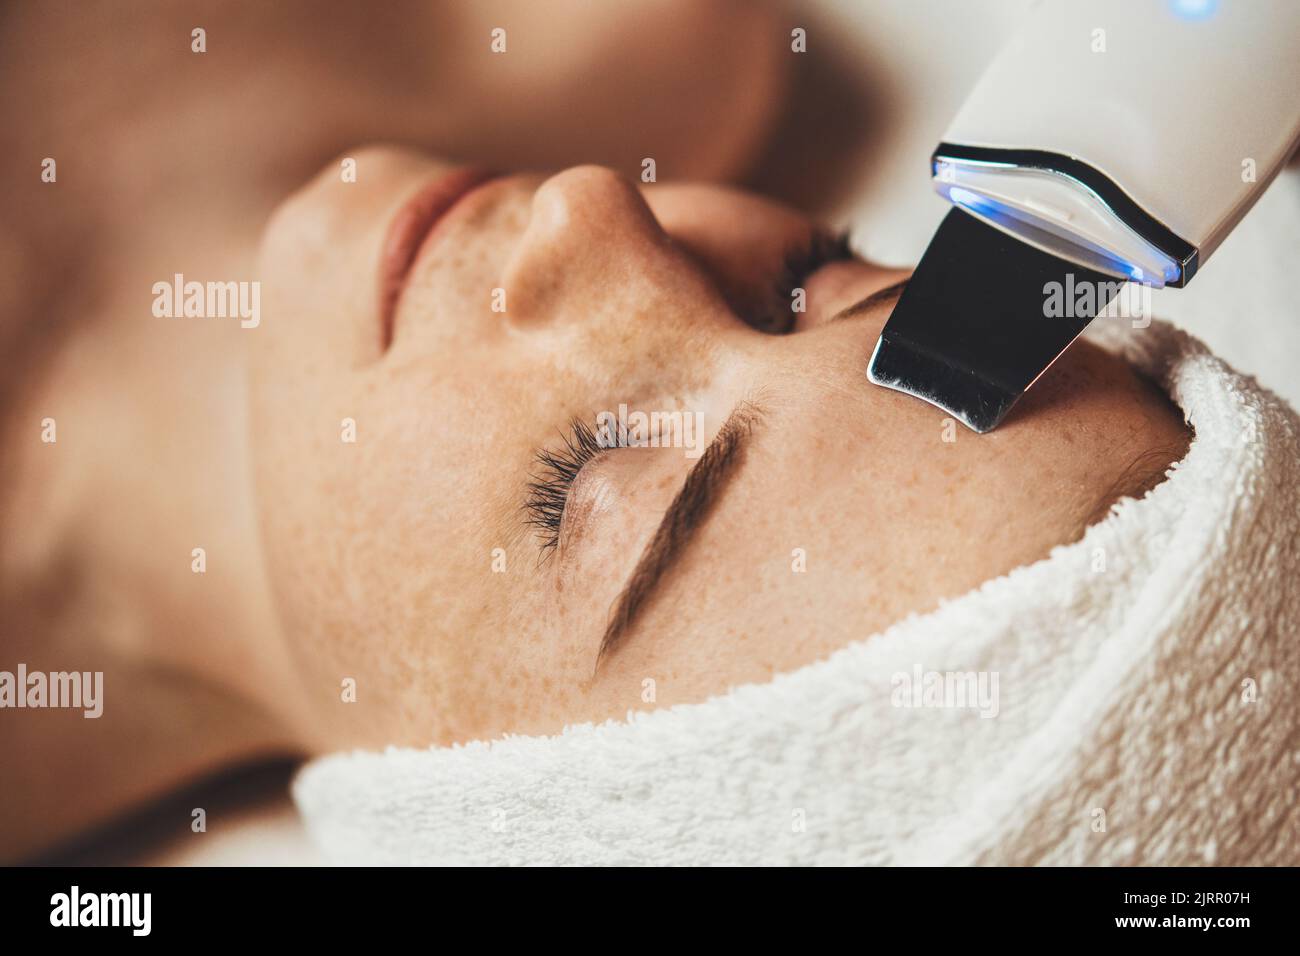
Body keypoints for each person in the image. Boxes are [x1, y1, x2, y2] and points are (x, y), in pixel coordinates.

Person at [0, 1, 1188, 861]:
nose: (590, 210)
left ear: (452, 804)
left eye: (596, 471)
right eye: (801, 281)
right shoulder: (635, 29)